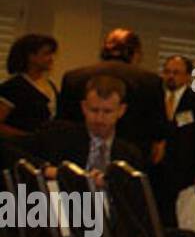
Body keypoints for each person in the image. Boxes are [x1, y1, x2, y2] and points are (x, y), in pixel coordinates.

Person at [57, 28, 166, 160]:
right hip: (132, 155)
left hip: (78, 152)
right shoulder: (150, 81)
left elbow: (62, 122)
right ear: (135, 53)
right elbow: (158, 128)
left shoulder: (73, 77)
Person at [33, 74, 145, 183]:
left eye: (107, 112)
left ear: (121, 110)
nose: (99, 119)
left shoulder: (130, 155)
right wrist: (48, 170)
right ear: (84, 107)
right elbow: (16, 150)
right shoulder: (58, 134)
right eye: (94, 110)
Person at [151, 55, 195, 228]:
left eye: (176, 72)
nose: (170, 76)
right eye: (167, 72)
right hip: (154, 173)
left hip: (184, 174)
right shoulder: (153, 99)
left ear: (188, 76)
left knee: (178, 223)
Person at [0, 33, 59, 138]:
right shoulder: (13, 87)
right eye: (46, 54)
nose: (51, 58)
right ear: (31, 56)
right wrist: (28, 137)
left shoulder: (51, 85)